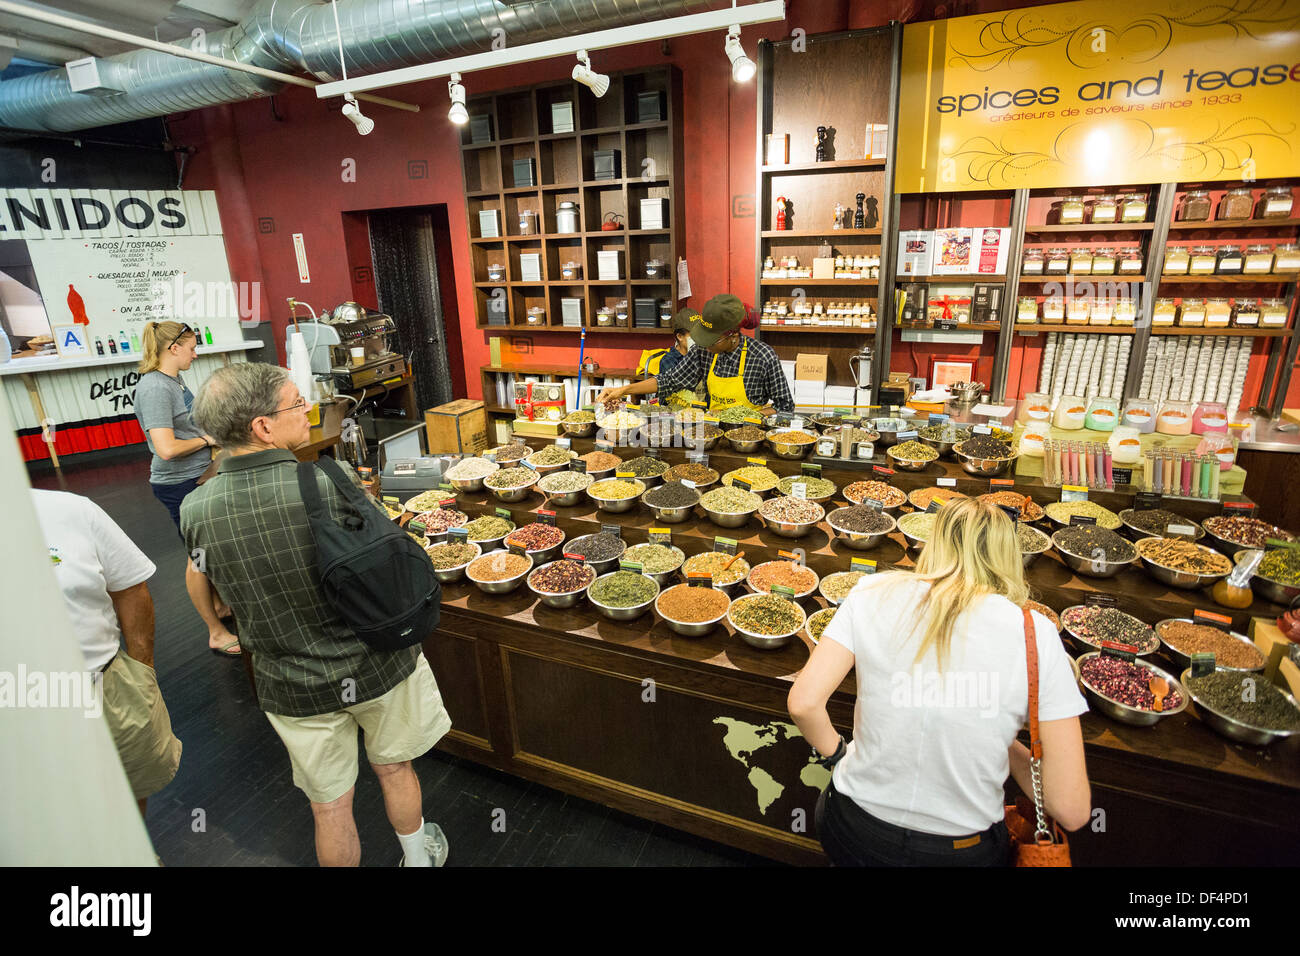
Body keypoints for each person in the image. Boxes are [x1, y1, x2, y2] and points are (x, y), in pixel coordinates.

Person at [181, 362, 453, 867]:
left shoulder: (195, 509)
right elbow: (385, 554)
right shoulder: (329, 477)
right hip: (377, 662)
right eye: (294, 403)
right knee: (395, 770)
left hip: (289, 680)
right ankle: (418, 858)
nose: (306, 410)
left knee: (328, 805)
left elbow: (215, 583)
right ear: (262, 426)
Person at [787, 497, 1090, 866]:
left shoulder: (870, 592)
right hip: (961, 851)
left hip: (854, 825)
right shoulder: (1035, 634)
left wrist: (839, 754)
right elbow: (1071, 810)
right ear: (1008, 555)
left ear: (935, 541)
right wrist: (1001, 742)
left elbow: (803, 703)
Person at [31, 488, 182, 820]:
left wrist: (142, 671)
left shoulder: (71, 510)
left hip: (106, 684)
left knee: (130, 786)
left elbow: (130, 587)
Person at [134, 319, 238, 657]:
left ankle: (221, 606)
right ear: (173, 348)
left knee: (209, 551)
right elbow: (165, 448)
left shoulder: (174, 380)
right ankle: (216, 632)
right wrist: (208, 439)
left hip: (197, 475)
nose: (195, 353)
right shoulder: (155, 388)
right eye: (191, 348)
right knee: (199, 557)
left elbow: (189, 424)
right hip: (178, 484)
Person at [598, 294, 794, 414]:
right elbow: (669, 380)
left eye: (711, 341)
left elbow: (784, 405)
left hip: (750, 437)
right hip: (713, 432)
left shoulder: (763, 356)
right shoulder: (702, 351)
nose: (705, 345)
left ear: (732, 335)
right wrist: (624, 390)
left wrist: (756, 418)